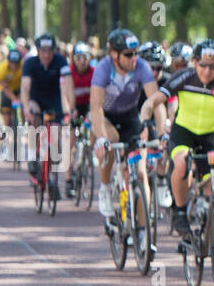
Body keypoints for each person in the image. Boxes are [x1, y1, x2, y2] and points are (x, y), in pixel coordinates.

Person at [144, 39, 214, 240]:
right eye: (203, 65)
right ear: (194, 62)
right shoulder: (183, 77)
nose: (207, 72)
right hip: (183, 132)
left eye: (213, 67)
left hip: (211, 136)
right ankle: (179, 210)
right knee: (181, 162)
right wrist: (145, 119)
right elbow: (153, 101)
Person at [90, 28, 165, 221]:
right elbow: (96, 107)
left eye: (136, 53)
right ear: (114, 55)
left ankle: (142, 230)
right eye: (129, 55)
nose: (134, 58)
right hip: (106, 117)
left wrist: (163, 132)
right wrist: (101, 139)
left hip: (130, 117)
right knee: (111, 140)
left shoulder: (141, 67)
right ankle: (106, 187)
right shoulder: (103, 69)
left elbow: (156, 101)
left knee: (140, 173)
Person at [20, 32, 77, 202]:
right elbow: (24, 88)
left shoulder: (60, 60)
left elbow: (67, 85)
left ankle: (51, 179)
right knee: (34, 115)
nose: (46, 55)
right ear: (37, 51)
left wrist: (71, 108)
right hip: (35, 98)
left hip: (53, 101)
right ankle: (32, 156)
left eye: (49, 51)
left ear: (54, 51)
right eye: (42, 51)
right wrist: (25, 108)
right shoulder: (30, 62)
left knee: (56, 142)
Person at [64, 42, 94, 197]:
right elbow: (64, 95)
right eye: (78, 58)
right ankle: (68, 179)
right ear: (73, 59)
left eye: (85, 57)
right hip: (73, 107)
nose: (82, 61)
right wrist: (69, 112)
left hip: (88, 106)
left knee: (94, 133)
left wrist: (92, 113)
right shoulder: (68, 73)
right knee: (70, 142)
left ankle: (90, 156)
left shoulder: (94, 72)